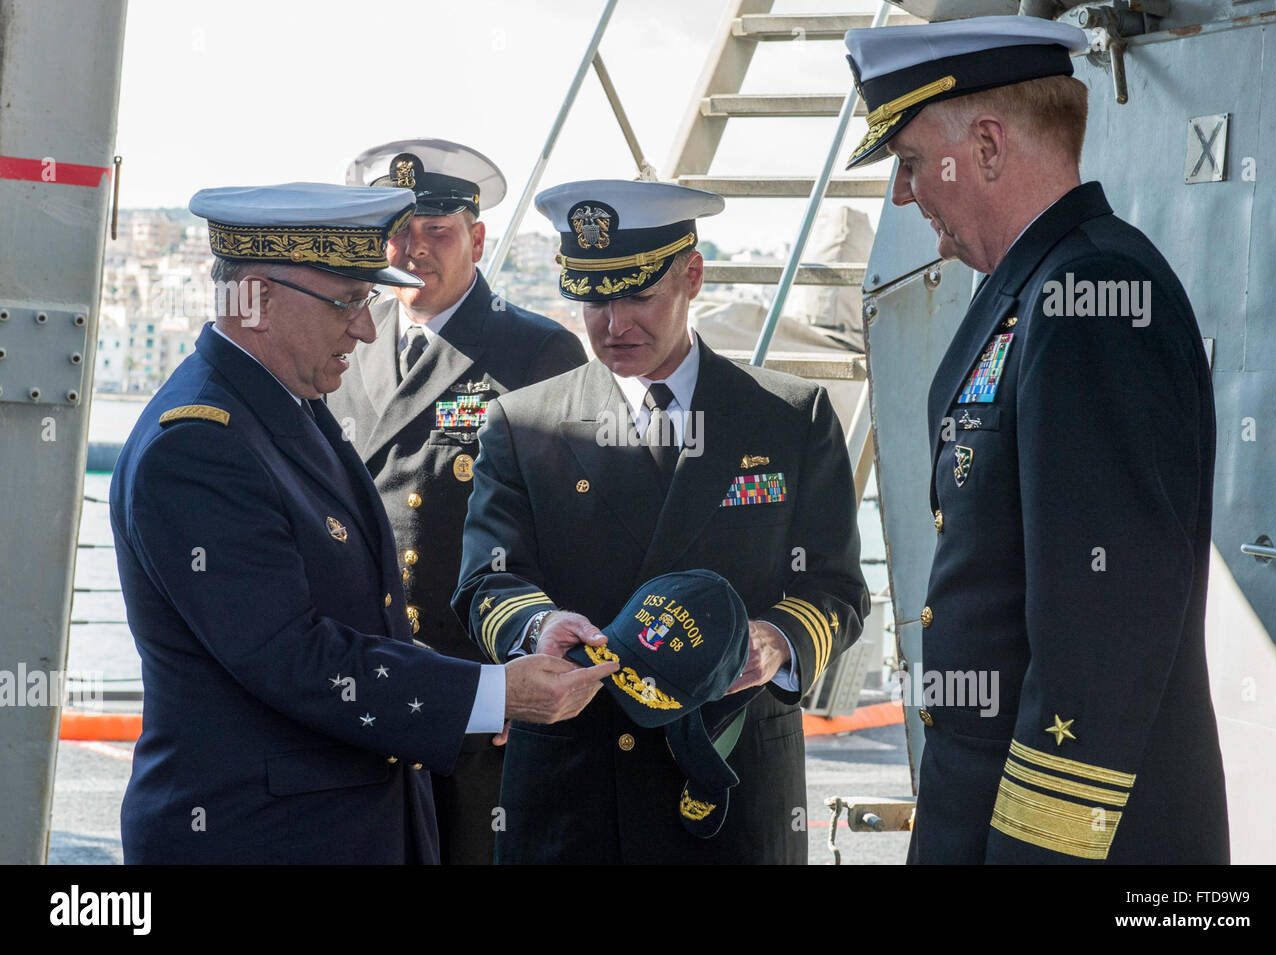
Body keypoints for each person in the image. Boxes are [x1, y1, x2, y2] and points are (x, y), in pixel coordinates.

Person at [109, 182, 613, 864]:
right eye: (347, 301)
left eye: (366, 301)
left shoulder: (287, 404)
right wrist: (493, 692)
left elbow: (365, 622)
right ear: (253, 299)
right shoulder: (199, 445)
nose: (367, 327)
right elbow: (293, 657)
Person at [842, 15, 1228, 863]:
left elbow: (1100, 646)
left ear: (985, 145)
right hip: (978, 813)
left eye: (908, 161)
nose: (903, 193)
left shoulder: (1090, 295)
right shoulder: (1035, 290)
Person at [451, 179, 870, 863]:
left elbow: (837, 587)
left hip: (731, 792)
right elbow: (486, 583)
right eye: (593, 299)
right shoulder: (522, 424)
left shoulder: (792, 417)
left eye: (637, 294)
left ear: (693, 276)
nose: (613, 325)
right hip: (575, 796)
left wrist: (774, 640)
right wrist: (537, 626)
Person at [328, 140, 587, 863]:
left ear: (477, 237)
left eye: (436, 230)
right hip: (370, 685)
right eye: (398, 230)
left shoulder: (536, 355)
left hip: (479, 688)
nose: (412, 249)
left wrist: (531, 662)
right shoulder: (346, 339)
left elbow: (566, 534)